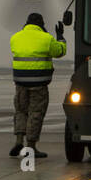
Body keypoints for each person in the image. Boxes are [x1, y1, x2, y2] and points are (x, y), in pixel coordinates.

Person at [9, 12, 66, 158]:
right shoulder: (46, 38)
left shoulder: (15, 37)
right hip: (38, 84)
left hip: (20, 83)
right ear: (42, 24)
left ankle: (18, 141)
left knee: (21, 111)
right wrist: (60, 37)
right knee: (36, 113)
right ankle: (31, 147)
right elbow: (59, 51)